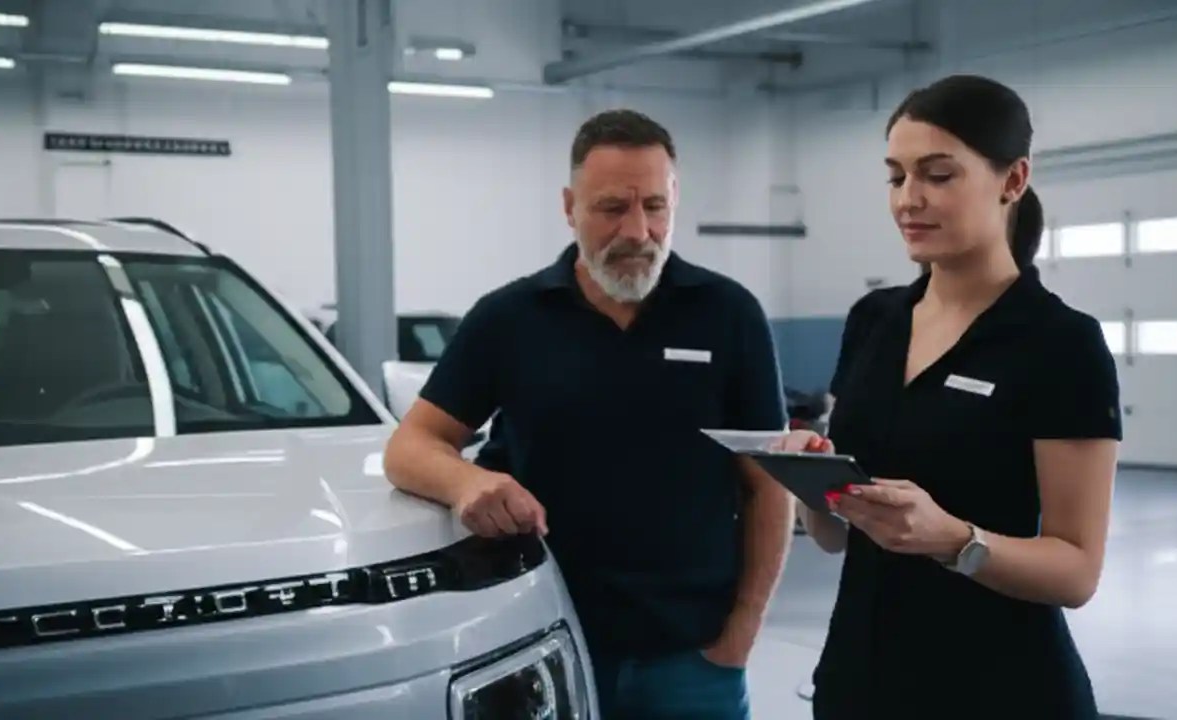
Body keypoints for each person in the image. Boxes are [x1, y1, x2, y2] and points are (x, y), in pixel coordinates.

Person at [383, 108, 794, 720]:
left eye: (655, 207)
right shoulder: (510, 319)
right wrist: (467, 481)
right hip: (540, 640)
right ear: (569, 205)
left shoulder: (729, 315)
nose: (637, 230)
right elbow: (410, 447)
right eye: (611, 208)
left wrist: (740, 635)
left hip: (692, 655)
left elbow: (768, 484)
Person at [779, 74, 1122, 719]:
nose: (910, 199)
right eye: (896, 176)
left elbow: (1076, 571)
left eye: (938, 175)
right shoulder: (873, 321)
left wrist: (954, 539)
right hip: (860, 682)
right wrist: (813, 485)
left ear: (1013, 180)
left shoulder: (1060, 344)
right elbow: (835, 538)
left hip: (1001, 691)